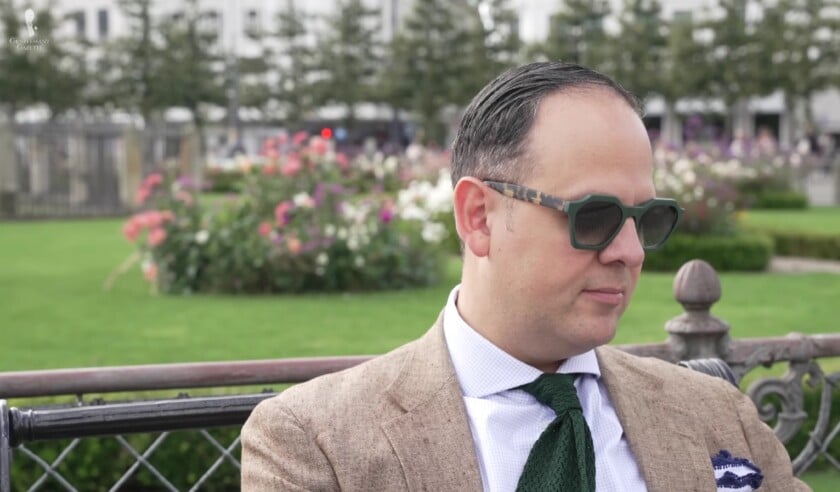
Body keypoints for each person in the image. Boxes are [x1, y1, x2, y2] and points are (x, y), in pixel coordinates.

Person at [241, 62, 808, 492]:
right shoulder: (316, 442)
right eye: (595, 216)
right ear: (479, 217)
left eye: (647, 218)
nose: (630, 251)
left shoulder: (716, 414)